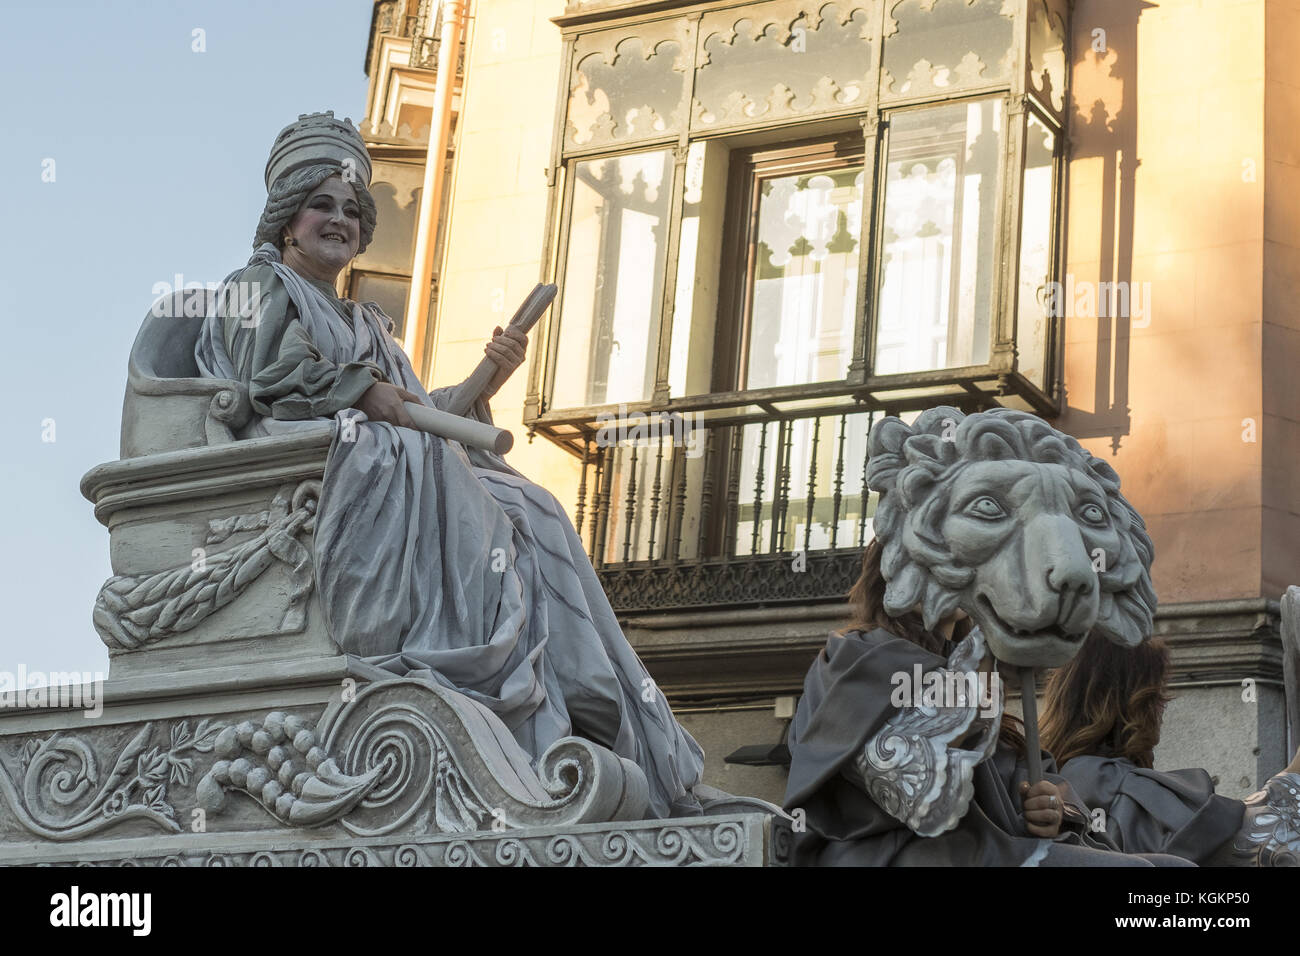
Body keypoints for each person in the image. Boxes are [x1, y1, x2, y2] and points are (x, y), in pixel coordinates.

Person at [194, 111, 704, 818]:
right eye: (321, 205)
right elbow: (270, 381)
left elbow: (429, 414)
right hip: (339, 475)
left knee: (540, 511)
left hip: (403, 462)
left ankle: (593, 712)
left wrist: (484, 381)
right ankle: (514, 704)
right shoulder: (260, 286)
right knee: (487, 504)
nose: (338, 220)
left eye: (351, 209)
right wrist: (366, 394)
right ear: (286, 219)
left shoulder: (367, 322)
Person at [783, 537, 1194, 865]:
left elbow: (1013, 784)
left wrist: (1048, 808)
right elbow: (900, 778)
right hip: (896, 852)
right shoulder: (857, 655)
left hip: (984, 845)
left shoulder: (966, 663)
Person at [1041, 633, 1300, 865]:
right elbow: (1238, 841)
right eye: (1157, 694)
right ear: (1131, 701)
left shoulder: (1056, 774)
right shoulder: (1116, 784)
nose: (1163, 706)